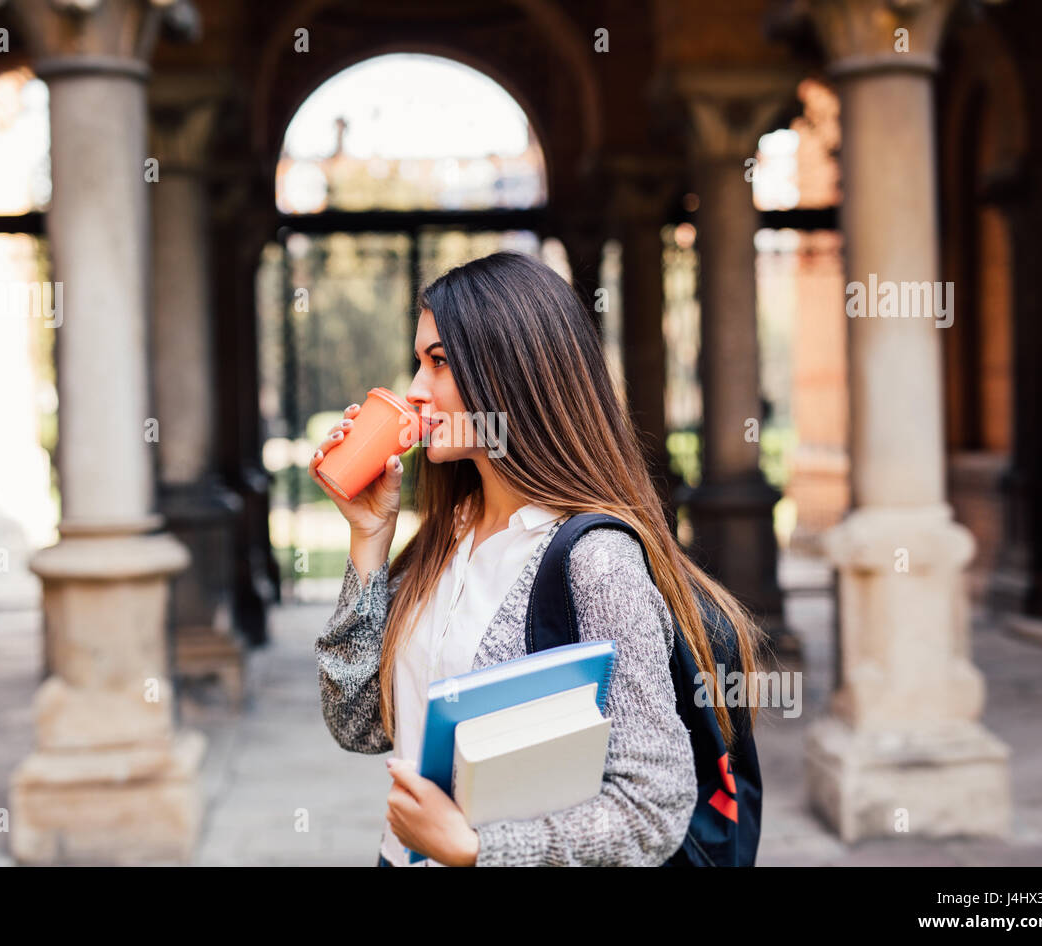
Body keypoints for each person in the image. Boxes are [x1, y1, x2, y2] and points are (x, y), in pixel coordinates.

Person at [310, 250, 761, 866]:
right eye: (419, 362)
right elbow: (357, 722)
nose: (415, 391)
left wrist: (478, 849)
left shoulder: (595, 562)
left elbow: (653, 807)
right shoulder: (447, 537)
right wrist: (369, 537)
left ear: (513, 373)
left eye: (439, 363)